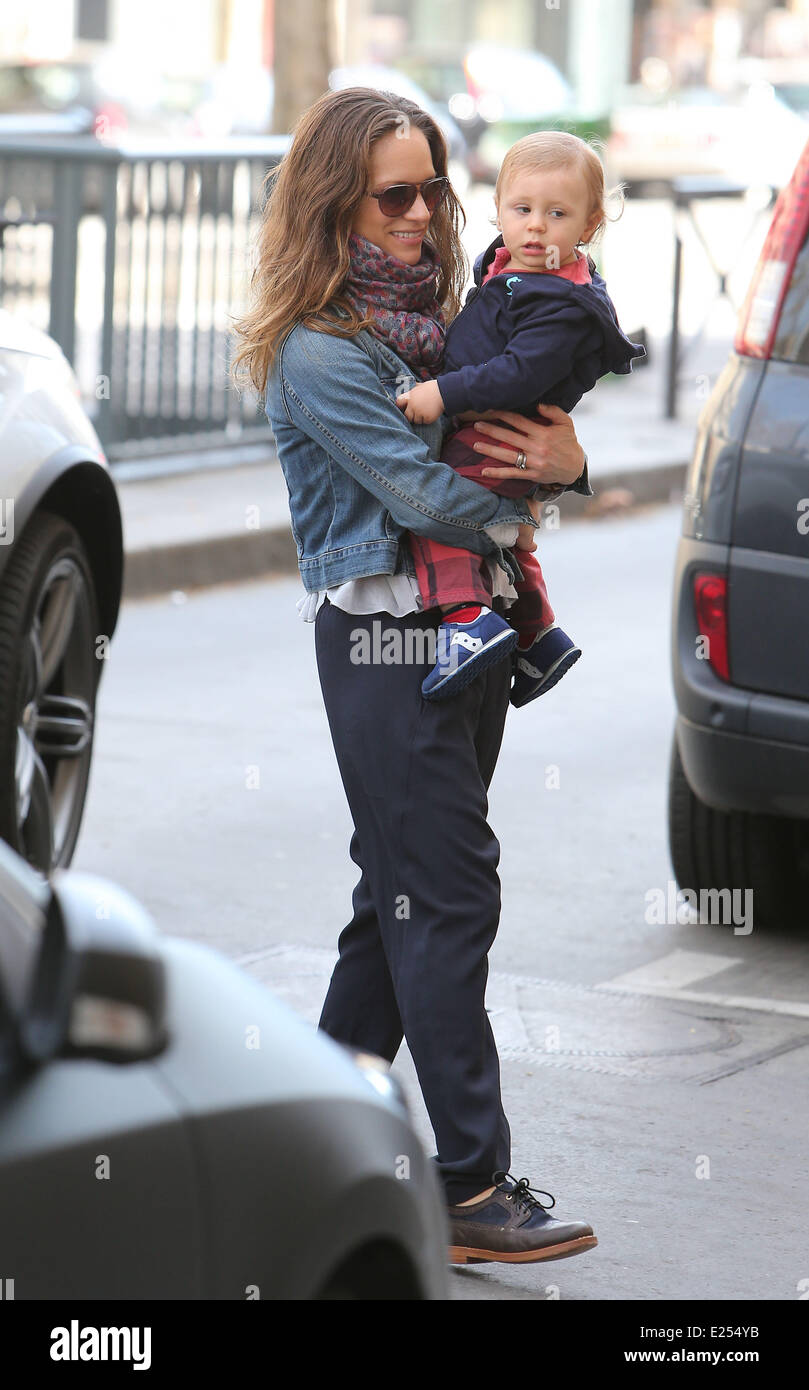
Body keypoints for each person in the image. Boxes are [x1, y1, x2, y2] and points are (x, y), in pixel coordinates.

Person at [230, 85, 599, 1265]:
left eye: (433, 187)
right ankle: (469, 1186)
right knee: (446, 892)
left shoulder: (440, 317)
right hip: (390, 646)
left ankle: (301, 1155)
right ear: (335, 201)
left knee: (390, 901)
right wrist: (541, 486)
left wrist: (568, 455)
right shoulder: (321, 351)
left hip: (465, 636)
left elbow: (528, 403)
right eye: (394, 192)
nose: (420, 211)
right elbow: (428, 492)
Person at [395, 131, 645, 704]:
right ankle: (538, 634)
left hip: (497, 433)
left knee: (437, 517)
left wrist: (443, 392)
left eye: (557, 214)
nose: (536, 227)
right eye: (522, 209)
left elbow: (518, 374)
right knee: (509, 542)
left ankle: (466, 620)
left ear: (590, 226)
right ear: (498, 208)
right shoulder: (512, 267)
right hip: (499, 433)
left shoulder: (562, 302)